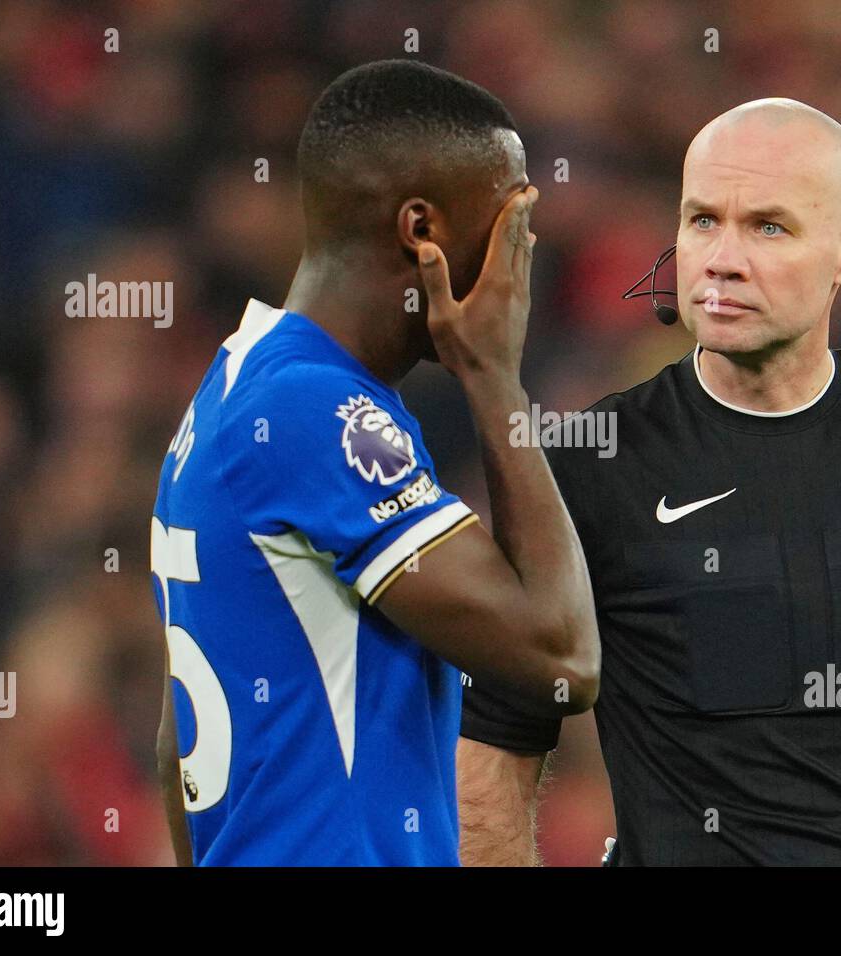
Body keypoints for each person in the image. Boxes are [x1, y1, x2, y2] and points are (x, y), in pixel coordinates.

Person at [458, 98, 841, 866]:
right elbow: (492, 751)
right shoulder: (592, 465)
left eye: (768, 227)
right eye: (702, 220)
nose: (721, 257)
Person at [149, 59, 599, 866]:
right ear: (421, 230)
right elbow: (559, 656)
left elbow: (170, 744)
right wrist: (496, 378)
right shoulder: (313, 410)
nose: (522, 258)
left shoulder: (240, 384)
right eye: (510, 222)